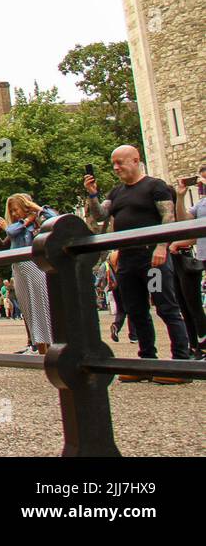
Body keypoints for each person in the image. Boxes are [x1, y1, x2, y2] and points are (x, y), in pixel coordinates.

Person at [84, 145, 192, 382]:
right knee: (136, 311)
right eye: (113, 163)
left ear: (135, 160)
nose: (116, 167)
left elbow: (168, 217)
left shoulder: (155, 186)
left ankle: (182, 363)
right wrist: (92, 194)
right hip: (127, 259)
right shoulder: (116, 192)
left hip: (151, 259)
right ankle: (147, 361)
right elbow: (101, 215)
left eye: (120, 162)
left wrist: (161, 246)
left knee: (166, 307)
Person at [0, 193, 57, 356]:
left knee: (40, 307)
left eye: (15, 209)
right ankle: (38, 346)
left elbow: (55, 218)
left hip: (34, 266)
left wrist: (36, 209)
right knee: (28, 310)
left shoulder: (36, 222)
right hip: (19, 268)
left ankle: (48, 348)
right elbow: (5, 244)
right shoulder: (18, 228)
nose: (13, 214)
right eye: (11, 211)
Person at [167, 164, 206, 357]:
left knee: (194, 304)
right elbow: (184, 224)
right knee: (188, 304)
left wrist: (177, 244)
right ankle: (197, 345)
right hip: (202, 257)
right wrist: (181, 196)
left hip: (191, 256)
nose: (201, 182)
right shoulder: (201, 203)